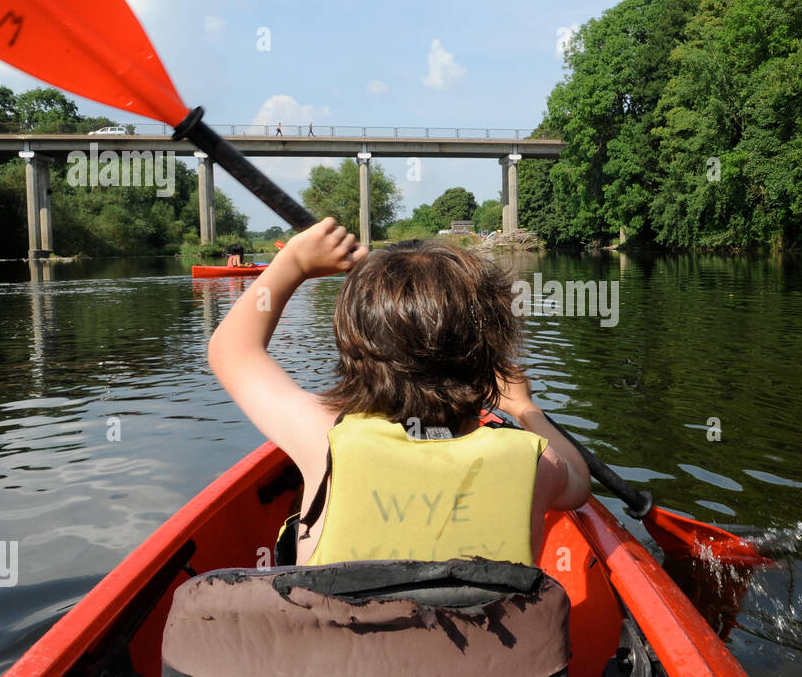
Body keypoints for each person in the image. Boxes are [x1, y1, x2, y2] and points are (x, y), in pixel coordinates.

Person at [207, 219, 592, 566]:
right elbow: (579, 484)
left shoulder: (323, 439)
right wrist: (525, 408)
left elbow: (232, 351)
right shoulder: (537, 463)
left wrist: (293, 262)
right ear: (487, 352)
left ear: (352, 344)